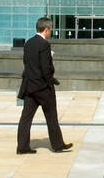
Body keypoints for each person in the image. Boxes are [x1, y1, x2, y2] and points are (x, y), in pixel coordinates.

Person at [17, 17, 72, 155]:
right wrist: (50, 81)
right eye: (50, 30)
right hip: (42, 87)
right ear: (46, 29)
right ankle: (58, 145)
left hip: (30, 86)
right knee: (51, 116)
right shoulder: (44, 45)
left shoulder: (28, 43)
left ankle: (22, 147)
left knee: (26, 118)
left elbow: (27, 63)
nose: (50, 32)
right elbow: (46, 68)